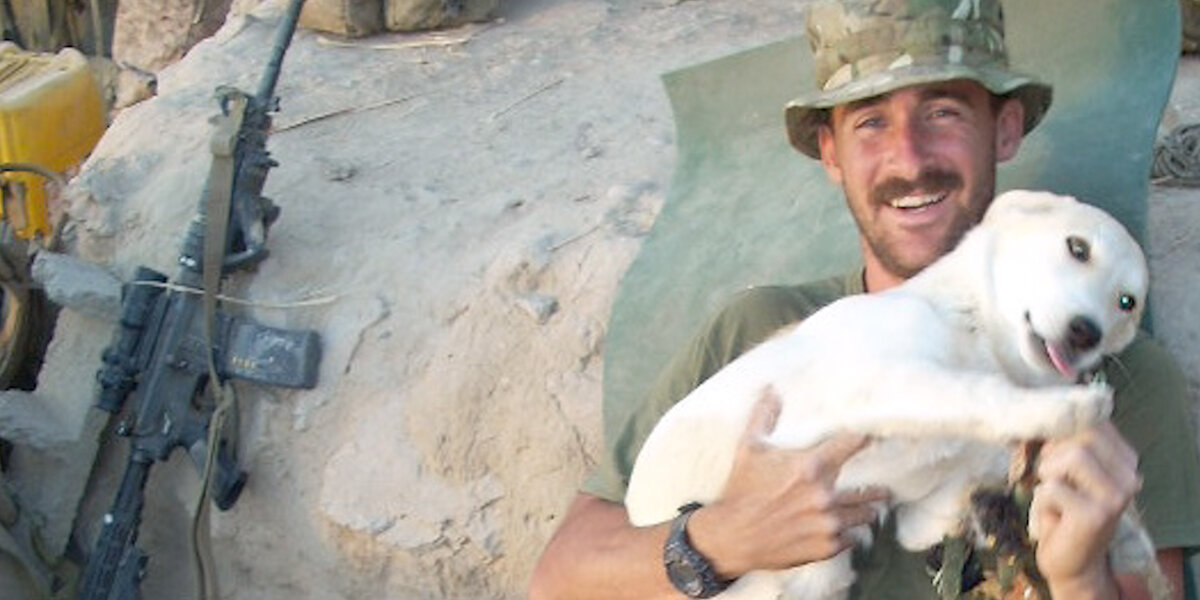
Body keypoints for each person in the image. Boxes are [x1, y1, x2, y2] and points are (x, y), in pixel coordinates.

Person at [529, 1, 1200, 598]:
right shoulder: (759, 330)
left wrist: (1080, 578)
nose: (909, 158)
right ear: (831, 153)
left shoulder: (1117, 388)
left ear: (1004, 127)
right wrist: (720, 541)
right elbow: (560, 577)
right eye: (871, 122)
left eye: (943, 112)